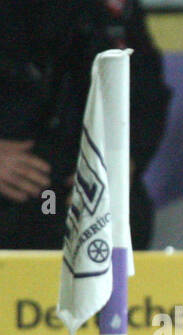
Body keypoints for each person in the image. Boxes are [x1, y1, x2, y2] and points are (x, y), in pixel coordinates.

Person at [0, 0, 171, 249]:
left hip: (83, 189)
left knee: (126, 211)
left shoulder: (104, 11)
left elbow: (147, 95)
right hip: (11, 188)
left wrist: (122, 161)